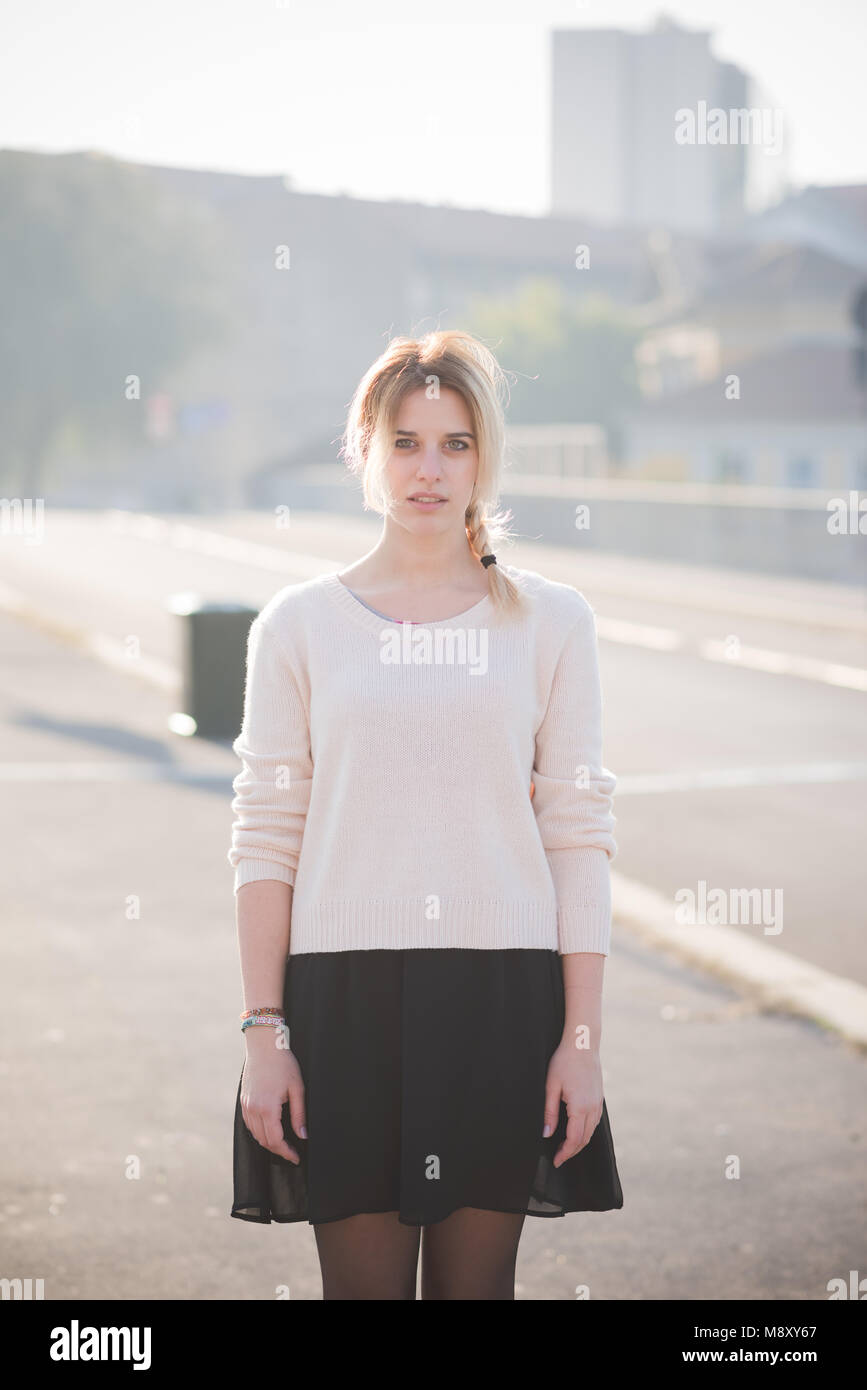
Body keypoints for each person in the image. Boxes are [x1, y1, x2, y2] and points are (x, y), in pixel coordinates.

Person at [228, 329, 623, 1300]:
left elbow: (577, 834)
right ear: (364, 448)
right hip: (341, 1010)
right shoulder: (298, 625)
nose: (430, 469)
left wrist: (581, 1042)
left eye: (454, 443)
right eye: (405, 441)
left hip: (502, 1008)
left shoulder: (552, 622)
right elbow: (265, 840)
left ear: (485, 457)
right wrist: (263, 1033)